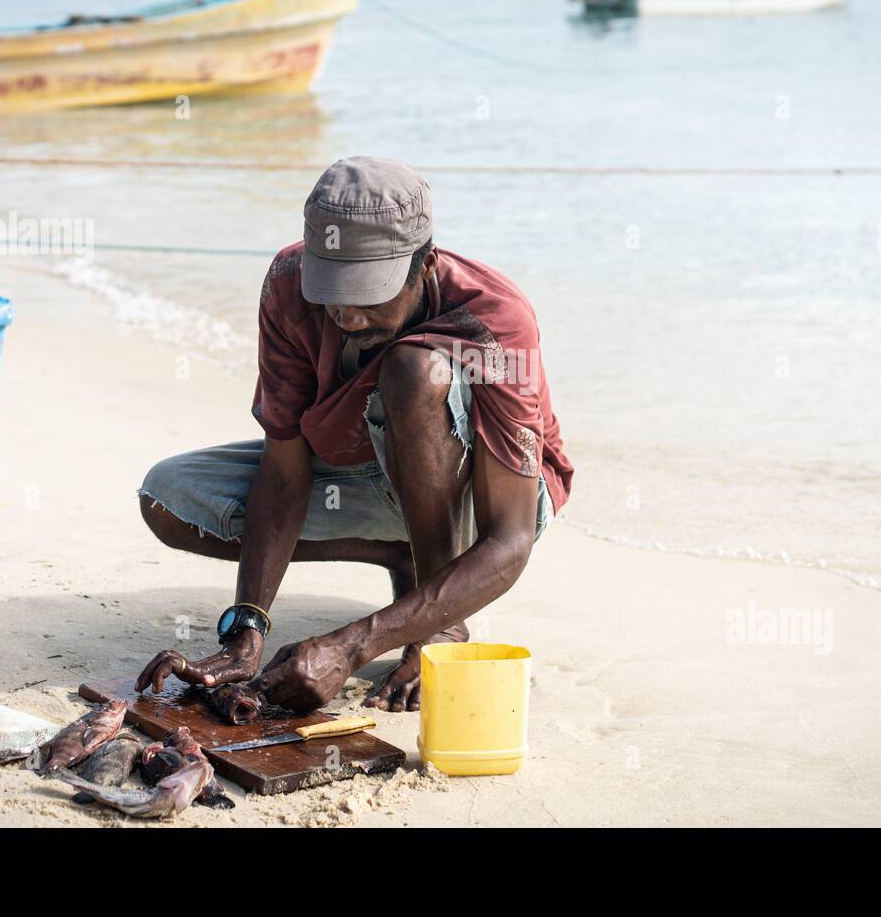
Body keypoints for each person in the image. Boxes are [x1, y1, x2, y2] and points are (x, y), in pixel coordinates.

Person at [134, 157, 574, 713]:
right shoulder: (288, 286)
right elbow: (285, 471)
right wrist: (247, 628)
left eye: (369, 293)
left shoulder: (494, 318)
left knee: (415, 371)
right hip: (365, 473)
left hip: (484, 497)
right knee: (169, 499)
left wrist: (354, 644)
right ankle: (401, 553)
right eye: (333, 291)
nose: (347, 314)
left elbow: (509, 540)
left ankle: (439, 623)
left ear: (426, 264)